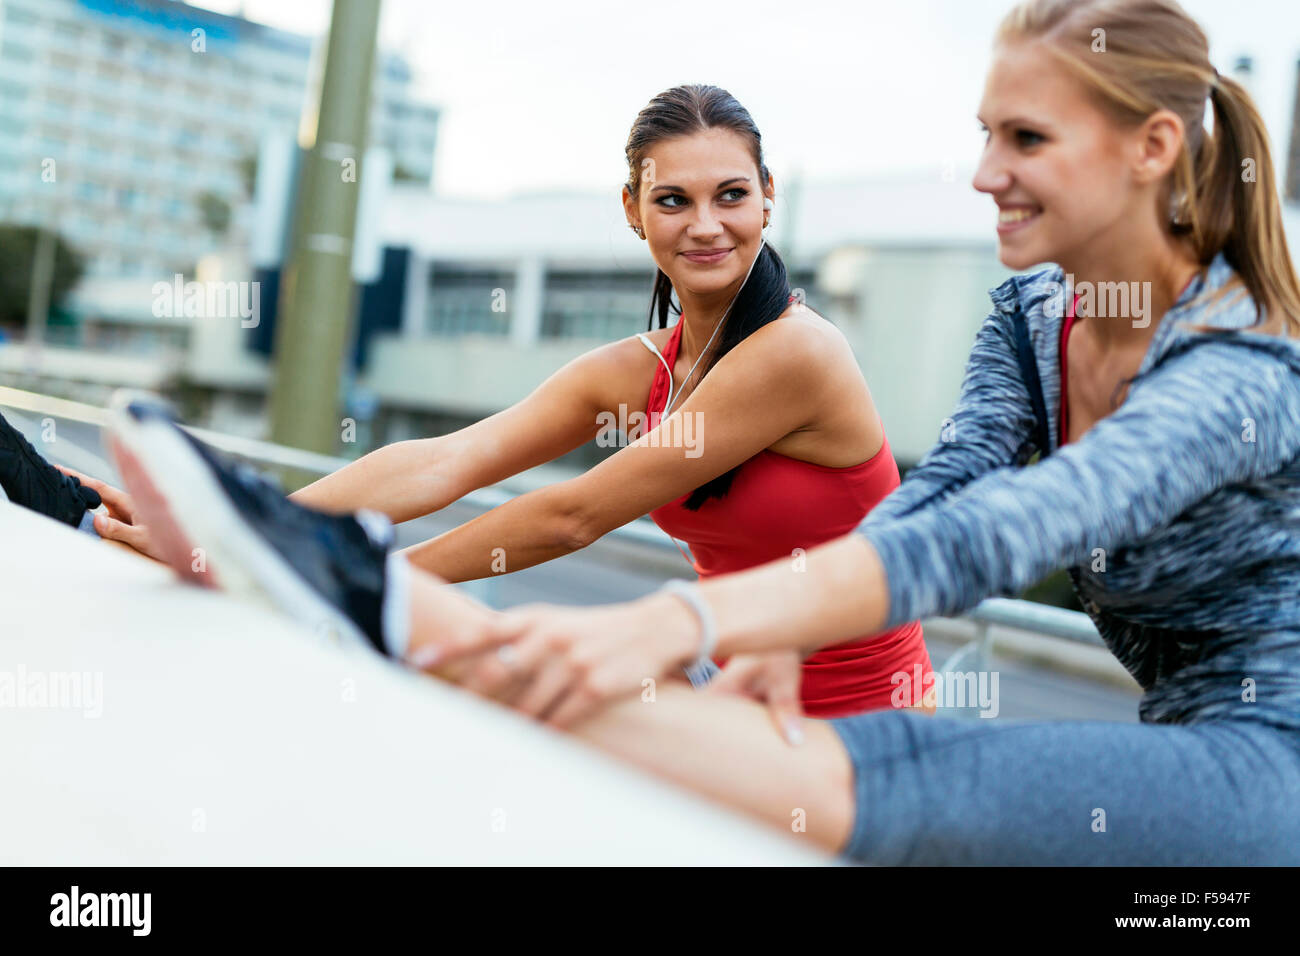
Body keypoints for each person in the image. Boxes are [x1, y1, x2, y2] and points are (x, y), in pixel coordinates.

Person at [101, 0, 1300, 863]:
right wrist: (243, 518)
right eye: (984, 132)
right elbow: (938, 493)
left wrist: (692, 616)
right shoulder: (1034, 316)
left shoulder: (1239, 366)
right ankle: (348, 592)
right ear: (633, 210)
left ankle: (390, 616)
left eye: (1023, 140)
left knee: (906, 780)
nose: (981, 170)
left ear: (1153, 149)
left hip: (1267, 754)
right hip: (1127, 717)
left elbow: (1019, 523)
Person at [85, 85, 932, 721]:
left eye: (732, 194)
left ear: (768, 196)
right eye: (673, 199)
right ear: (634, 212)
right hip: (733, 685)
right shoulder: (637, 370)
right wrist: (238, 524)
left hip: (862, 725)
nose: (706, 224)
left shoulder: (797, 352)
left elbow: (573, 516)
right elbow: (445, 458)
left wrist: (329, 576)